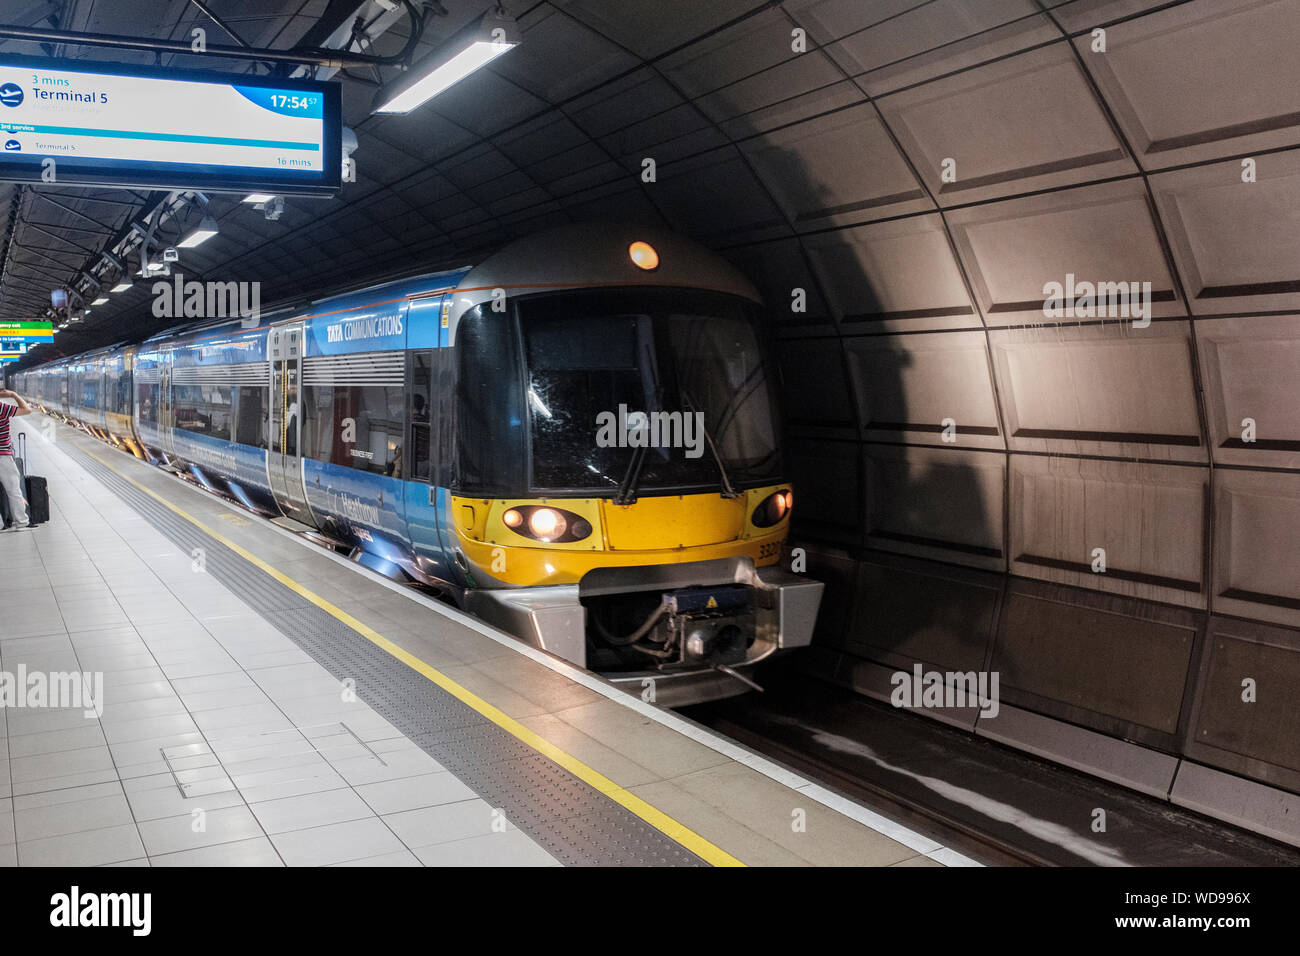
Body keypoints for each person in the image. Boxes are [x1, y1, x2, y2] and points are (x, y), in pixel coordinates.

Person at [0, 387, 33, 531]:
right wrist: (13, 395)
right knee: (13, 489)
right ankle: (21, 521)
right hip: (2, 455)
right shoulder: (1, 407)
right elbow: (26, 410)